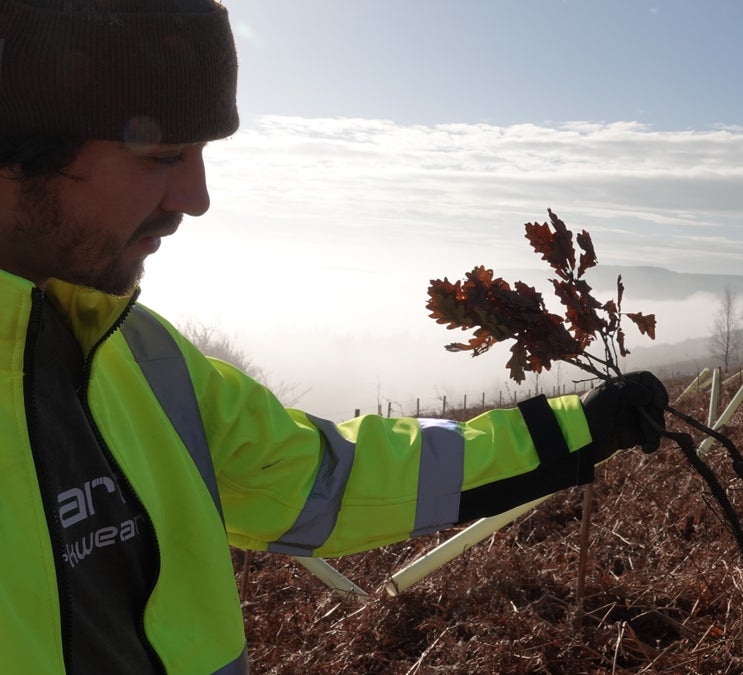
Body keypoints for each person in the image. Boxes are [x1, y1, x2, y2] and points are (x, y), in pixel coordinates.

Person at [0, 1, 670, 672]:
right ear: (16, 147)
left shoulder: (146, 360)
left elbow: (327, 479)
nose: (197, 196)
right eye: (162, 153)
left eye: (199, 154)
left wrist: (575, 429)